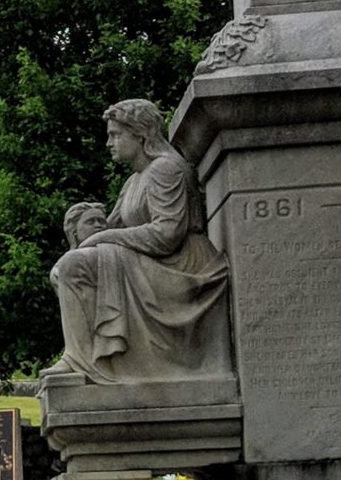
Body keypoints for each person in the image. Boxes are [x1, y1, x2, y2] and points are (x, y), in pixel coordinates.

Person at [49, 100, 231, 381]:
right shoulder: (134, 181)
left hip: (181, 265)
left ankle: (83, 362)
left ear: (140, 135)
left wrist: (100, 239)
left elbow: (167, 234)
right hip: (151, 263)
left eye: (115, 135)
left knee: (76, 266)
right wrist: (80, 230)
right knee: (73, 265)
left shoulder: (166, 169)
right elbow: (109, 227)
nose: (109, 143)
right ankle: (79, 358)